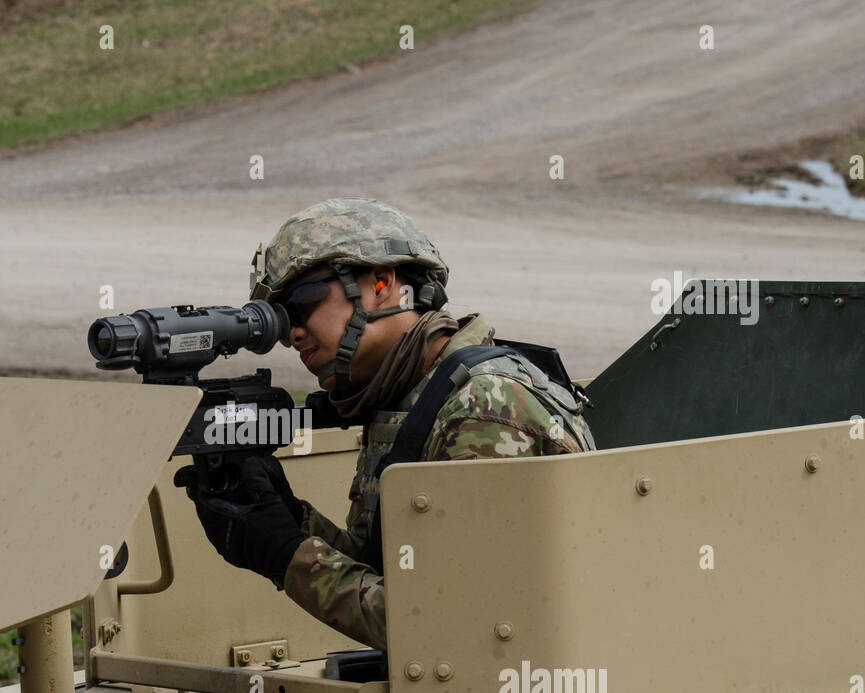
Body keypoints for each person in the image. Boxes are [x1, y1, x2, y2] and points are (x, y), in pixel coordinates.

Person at [185, 198, 595, 651]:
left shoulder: (483, 408)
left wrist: (288, 555)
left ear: (381, 285)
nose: (293, 334)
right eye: (282, 324)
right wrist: (282, 517)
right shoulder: (413, 397)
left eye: (301, 305)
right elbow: (386, 572)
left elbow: (450, 627)